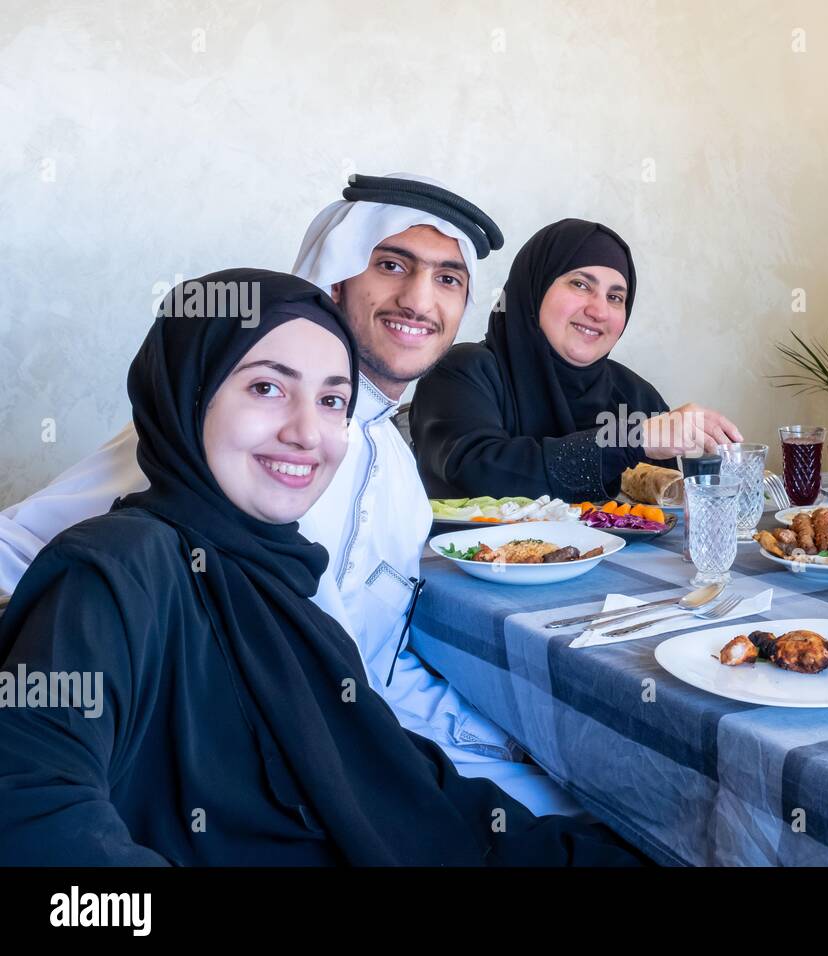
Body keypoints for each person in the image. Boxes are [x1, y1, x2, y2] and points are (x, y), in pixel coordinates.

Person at [0, 271, 638, 865]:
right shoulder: (111, 572)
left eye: (333, 401)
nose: (309, 432)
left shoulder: (290, 584)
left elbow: (392, 779)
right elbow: (32, 812)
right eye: (266, 388)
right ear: (186, 398)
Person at [411, 218, 743, 500]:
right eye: (581, 284)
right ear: (535, 289)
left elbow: (662, 510)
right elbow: (476, 473)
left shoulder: (634, 394)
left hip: (618, 576)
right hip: (477, 570)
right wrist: (631, 439)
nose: (599, 311)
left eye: (615, 297)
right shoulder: (462, 373)